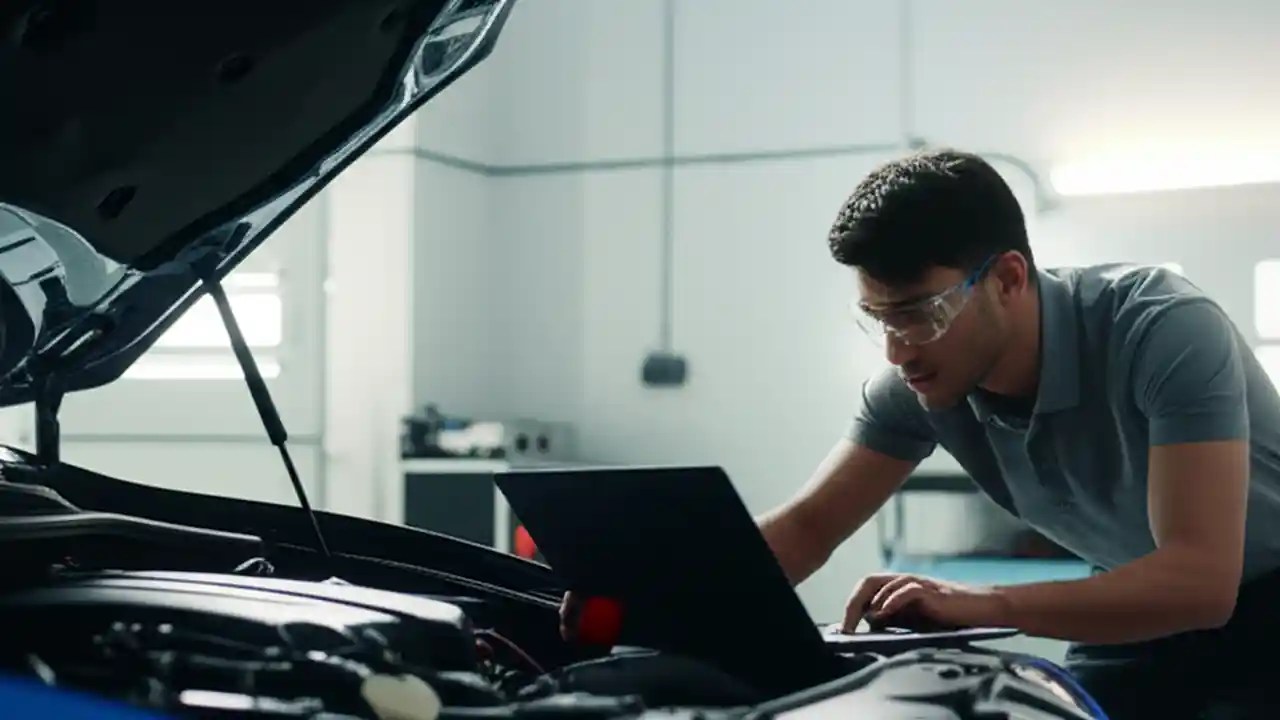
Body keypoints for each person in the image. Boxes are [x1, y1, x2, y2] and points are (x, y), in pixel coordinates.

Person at [560, 148, 1280, 718]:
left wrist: (984, 605)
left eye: (919, 313)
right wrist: (651, 595)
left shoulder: (1163, 330)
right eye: (879, 317)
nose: (897, 348)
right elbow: (808, 528)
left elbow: (1199, 581)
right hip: (1135, 606)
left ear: (1007, 278)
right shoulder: (919, 383)